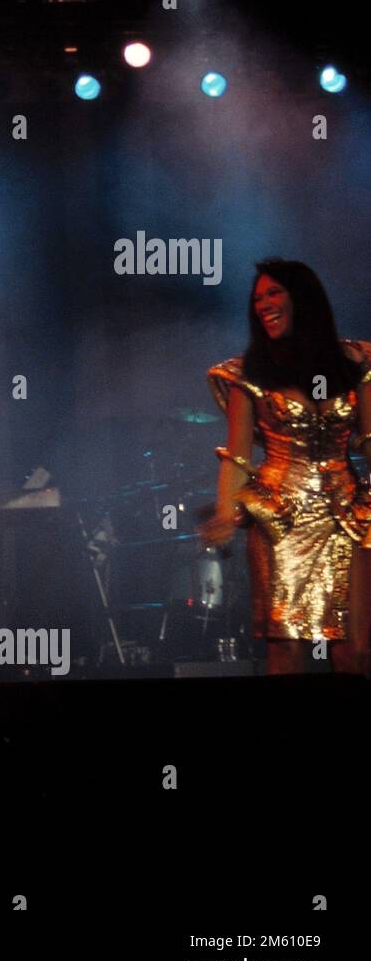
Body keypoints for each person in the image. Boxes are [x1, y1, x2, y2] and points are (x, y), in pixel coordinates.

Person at [200, 259, 371, 676]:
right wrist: (225, 513)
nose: (264, 304)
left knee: (356, 651)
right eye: (258, 298)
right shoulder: (249, 373)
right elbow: (237, 457)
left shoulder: (358, 362)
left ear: (302, 297)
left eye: (273, 293)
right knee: (288, 652)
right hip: (282, 520)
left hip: (347, 514)